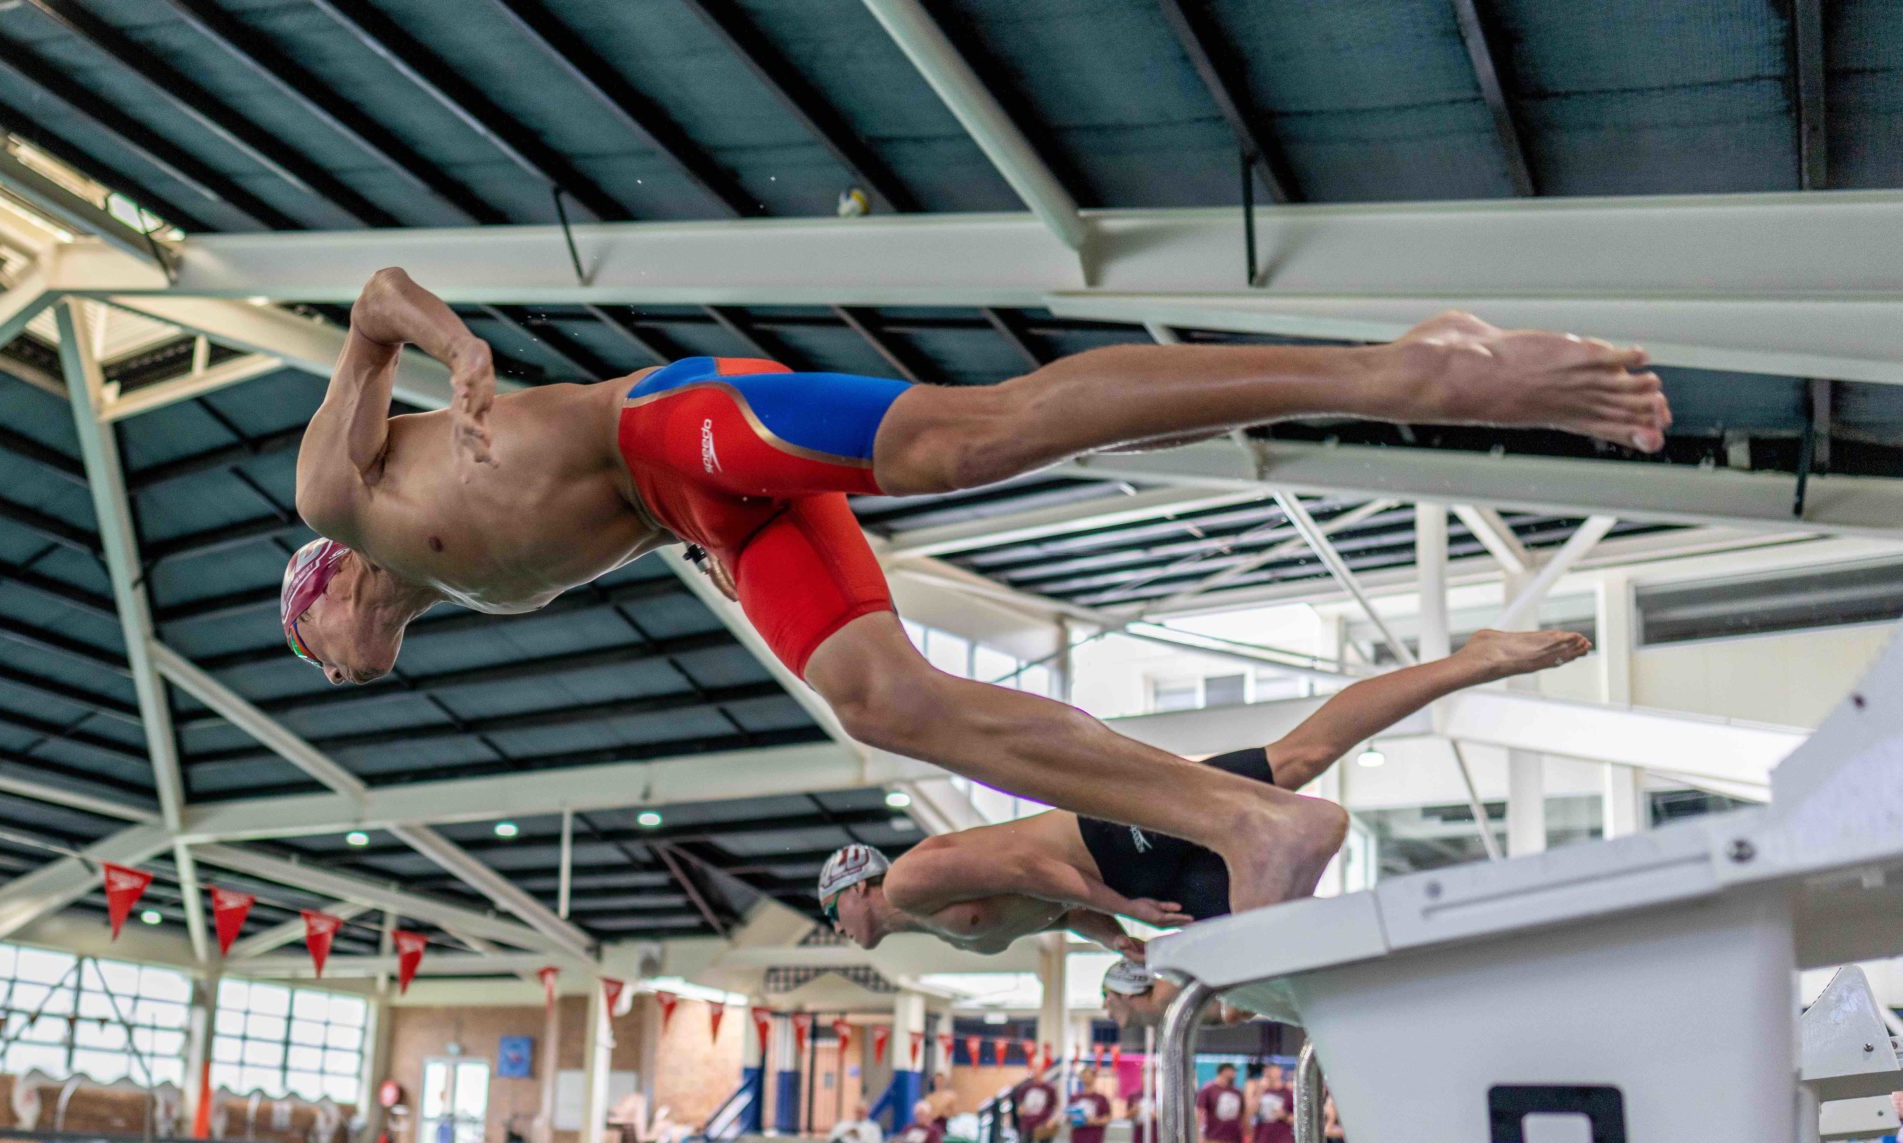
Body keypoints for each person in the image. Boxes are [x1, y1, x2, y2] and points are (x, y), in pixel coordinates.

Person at [286, 266, 1668, 917]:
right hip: (706, 520)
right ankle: (1248, 817)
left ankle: (1406, 369)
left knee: (971, 433)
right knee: (881, 702)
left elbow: (372, 301)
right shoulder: (464, 591)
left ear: (324, 586)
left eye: (315, 648)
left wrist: (459, 347)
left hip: (680, 424)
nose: (334, 671)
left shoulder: (339, 498)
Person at [818, 626, 1591, 958]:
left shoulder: (915, 879)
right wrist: (1110, 935)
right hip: (1130, 879)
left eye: (832, 913)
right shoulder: (932, 928)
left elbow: (1026, 864)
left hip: (1113, 833)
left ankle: (1474, 661)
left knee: (1300, 757)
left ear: (857, 889)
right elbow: (1045, 904)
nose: (836, 927)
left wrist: (1124, 910)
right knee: (1258, 933)